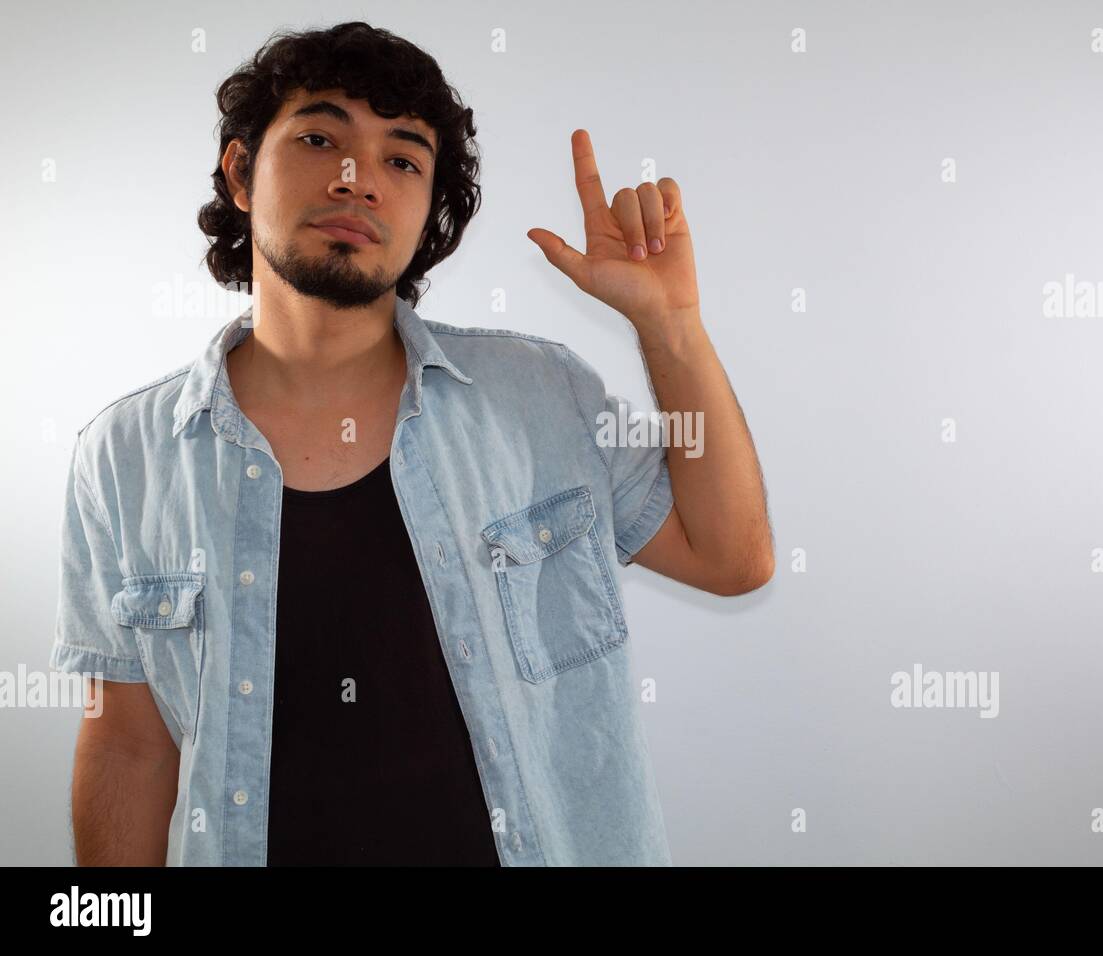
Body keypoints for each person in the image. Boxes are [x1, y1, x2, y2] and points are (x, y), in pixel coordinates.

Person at [50, 21, 773, 867]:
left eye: (402, 159)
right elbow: (129, 746)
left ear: (430, 211)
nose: (358, 180)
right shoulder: (125, 458)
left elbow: (733, 559)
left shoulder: (540, 398)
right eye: (320, 138)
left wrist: (671, 325)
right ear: (242, 172)